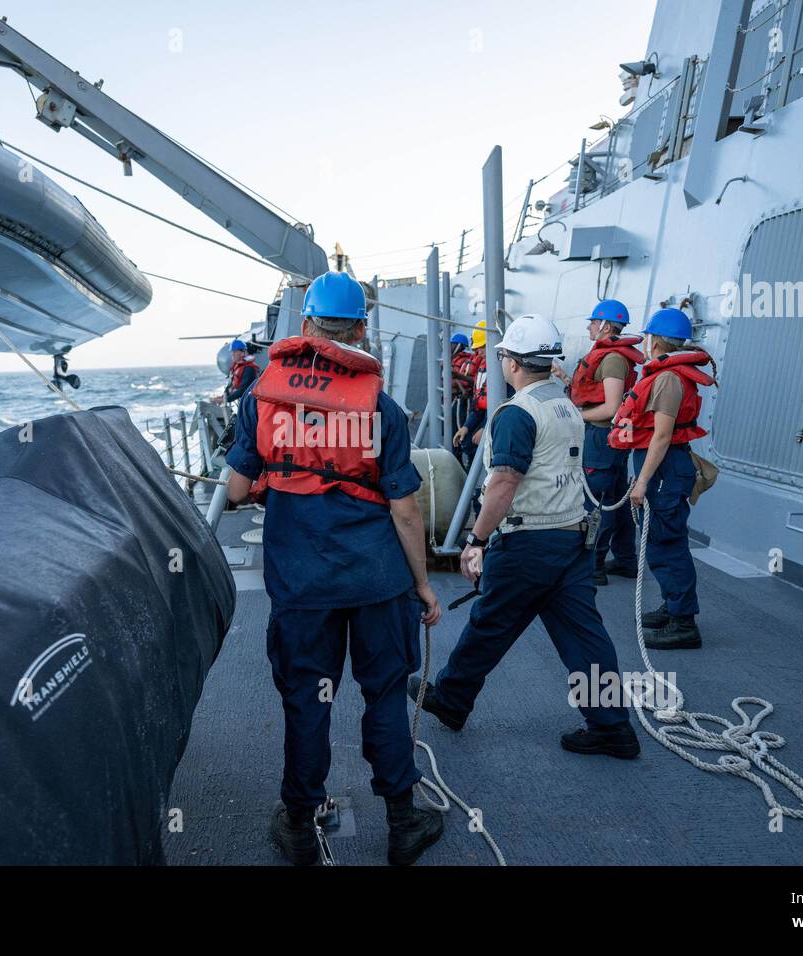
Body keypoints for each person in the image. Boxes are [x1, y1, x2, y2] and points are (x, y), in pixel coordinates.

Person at [225, 271, 446, 866]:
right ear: (361, 329)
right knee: (384, 697)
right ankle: (403, 821)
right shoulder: (382, 407)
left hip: (303, 584)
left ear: (305, 326)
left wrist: (284, 480)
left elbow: (240, 488)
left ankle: (298, 823)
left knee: (307, 700)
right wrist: (422, 584)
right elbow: (405, 508)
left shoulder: (260, 400)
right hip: (377, 581)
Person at [410, 314, 640, 759]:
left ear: (512, 362)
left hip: (529, 543)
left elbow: (503, 483)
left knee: (490, 622)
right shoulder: (566, 404)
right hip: (572, 541)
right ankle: (613, 727)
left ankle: (452, 700)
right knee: (585, 636)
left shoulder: (518, 413)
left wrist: (475, 540)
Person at [609, 307, 716, 650]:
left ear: (655, 342)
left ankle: (684, 623)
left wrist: (641, 482)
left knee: (667, 545)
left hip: (664, 471)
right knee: (659, 542)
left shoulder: (668, 380)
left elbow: (662, 436)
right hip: (663, 469)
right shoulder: (668, 376)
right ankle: (673, 608)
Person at [552, 300, 643, 586]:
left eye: (593, 322)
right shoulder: (609, 357)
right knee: (616, 499)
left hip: (602, 439)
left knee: (597, 502)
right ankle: (626, 559)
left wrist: (577, 415)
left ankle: (594, 565)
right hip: (609, 439)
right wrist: (564, 377)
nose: (589, 326)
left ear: (604, 325)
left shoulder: (613, 359)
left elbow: (612, 408)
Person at [452, 320, 488, 467]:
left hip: (491, 420)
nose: (477, 352)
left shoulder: (502, 370)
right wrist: (466, 427)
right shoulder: (484, 366)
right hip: (480, 413)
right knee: (466, 441)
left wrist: (484, 429)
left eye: (481, 347)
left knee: (473, 444)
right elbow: (480, 404)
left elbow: (502, 404)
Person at [216, 339, 259, 405]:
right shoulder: (236, 366)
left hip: (249, 403)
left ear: (242, 353)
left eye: (234, 351)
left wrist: (227, 399)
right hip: (241, 401)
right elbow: (231, 384)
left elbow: (243, 389)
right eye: (232, 352)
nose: (232, 354)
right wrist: (223, 396)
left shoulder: (249, 369)